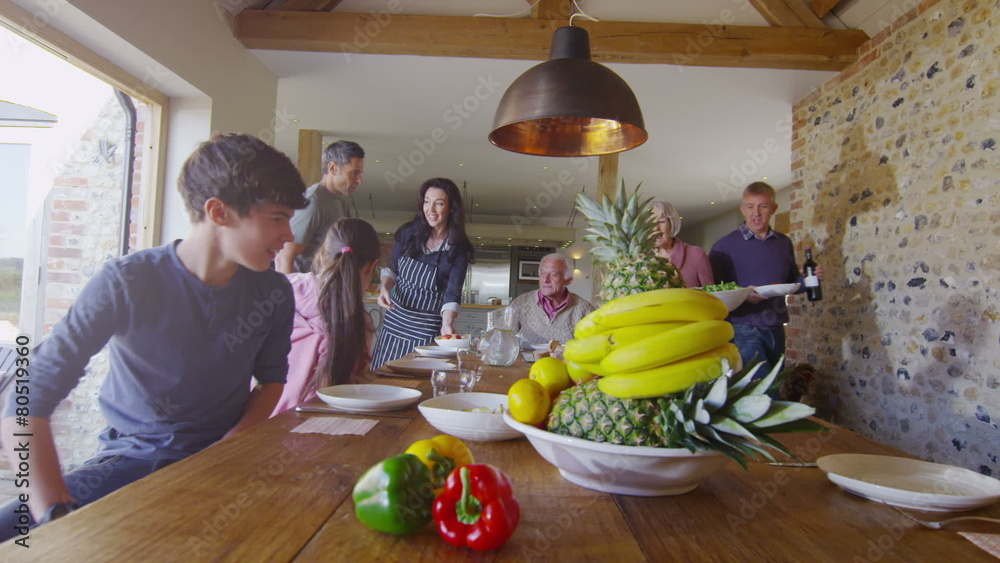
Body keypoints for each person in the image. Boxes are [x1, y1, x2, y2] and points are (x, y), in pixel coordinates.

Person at [0, 133, 308, 539]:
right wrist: (56, 513)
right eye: (276, 218)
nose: (289, 235)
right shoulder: (127, 281)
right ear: (218, 212)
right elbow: (26, 399)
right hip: (131, 463)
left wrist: (226, 451)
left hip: (229, 465)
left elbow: (271, 381)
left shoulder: (273, 292)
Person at [709, 181, 822, 377]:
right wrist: (744, 296)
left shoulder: (783, 243)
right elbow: (714, 293)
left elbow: (791, 281)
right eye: (751, 207)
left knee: (774, 382)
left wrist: (810, 280)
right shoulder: (724, 246)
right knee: (762, 391)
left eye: (763, 206)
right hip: (744, 328)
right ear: (742, 210)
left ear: (774, 208)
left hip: (777, 327)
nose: (756, 213)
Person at [271, 218, 381, 416]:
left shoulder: (280, 290)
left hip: (260, 425)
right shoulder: (359, 323)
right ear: (372, 267)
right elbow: (351, 392)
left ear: (321, 256)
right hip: (315, 425)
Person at [370, 178, 473, 369]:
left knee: (415, 379)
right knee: (383, 373)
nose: (430, 209)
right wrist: (384, 288)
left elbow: (452, 294)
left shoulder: (459, 249)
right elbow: (391, 268)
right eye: (427, 202)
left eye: (439, 203)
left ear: (451, 208)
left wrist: (447, 324)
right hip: (396, 321)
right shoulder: (409, 233)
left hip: (426, 328)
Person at [275, 140, 365, 274]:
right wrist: (295, 294)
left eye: (360, 174)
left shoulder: (340, 205)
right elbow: (284, 259)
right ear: (333, 168)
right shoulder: (313, 202)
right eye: (354, 173)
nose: (359, 180)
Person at [508, 253, 595, 344]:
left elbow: (593, 346)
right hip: (525, 358)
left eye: (553, 274)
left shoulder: (584, 310)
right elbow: (505, 338)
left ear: (568, 280)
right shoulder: (520, 303)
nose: (545, 280)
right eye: (542, 273)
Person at [651, 200, 714, 288]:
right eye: (650, 222)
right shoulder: (639, 262)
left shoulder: (696, 255)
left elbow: (712, 295)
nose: (655, 228)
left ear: (671, 224)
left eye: (661, 222)